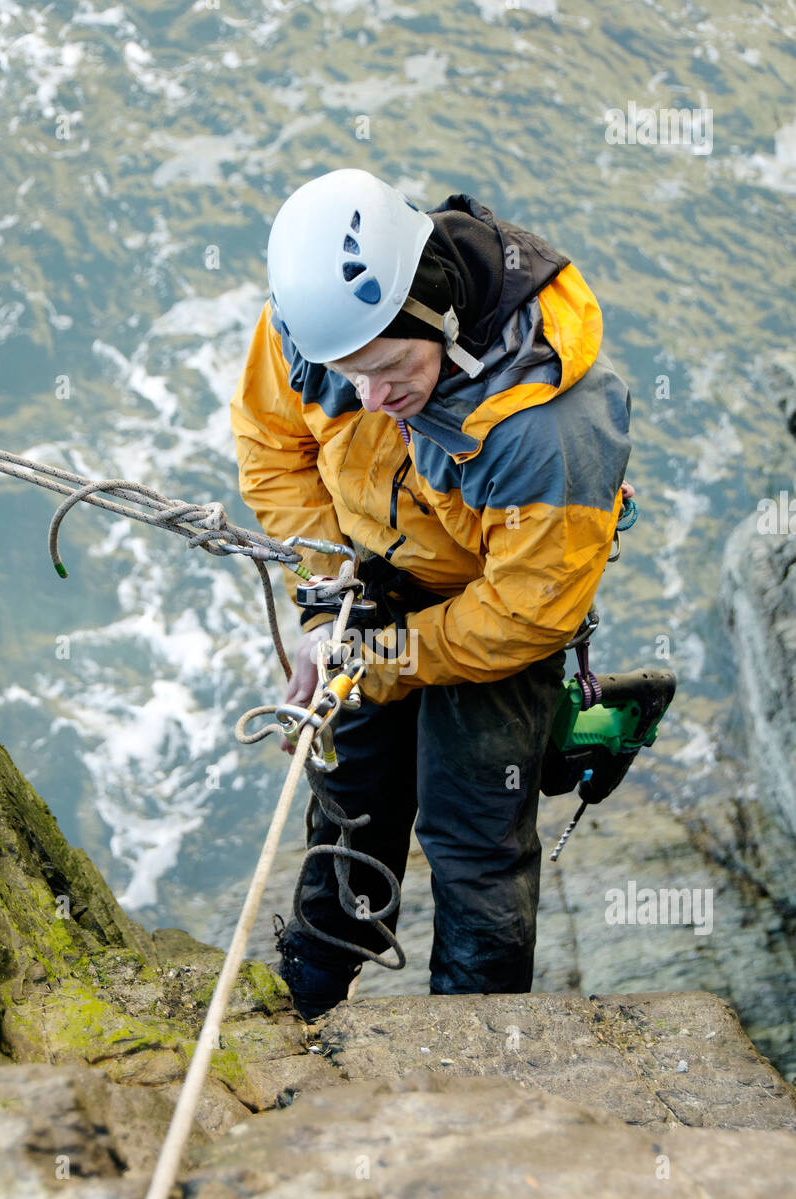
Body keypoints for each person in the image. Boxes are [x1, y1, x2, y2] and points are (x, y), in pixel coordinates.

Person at [230, 167, 631, 1021]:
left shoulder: (546, 426)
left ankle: (474, 1039)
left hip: (494, 617)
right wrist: (329, 591)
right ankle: (309, 995)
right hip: (369, 582)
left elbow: (528, 611)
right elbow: (272, 444)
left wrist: (387, 658)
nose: (371, 399)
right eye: (350, 375)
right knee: (347, 804)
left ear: (437, 309)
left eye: (387, 370)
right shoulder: (317, 326)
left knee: (475, 836)